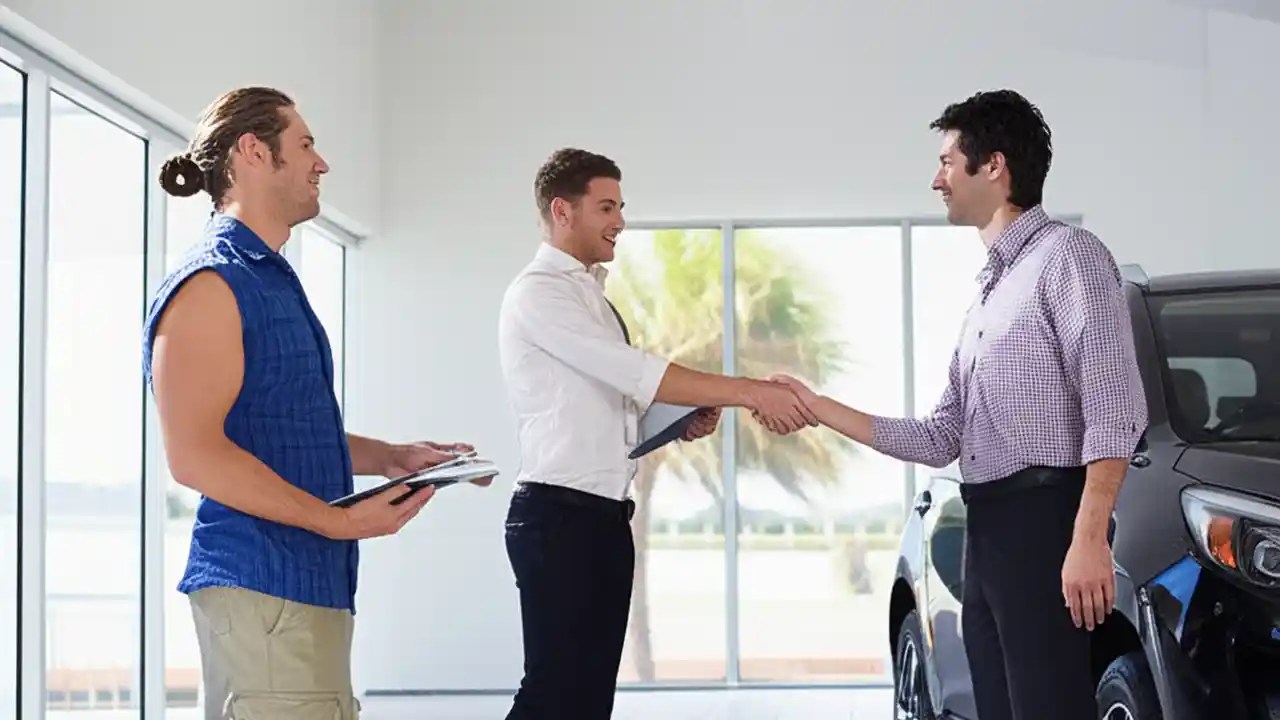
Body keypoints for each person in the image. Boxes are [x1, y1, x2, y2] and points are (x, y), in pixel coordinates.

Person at [772, 90, 1148, 720]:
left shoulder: (1069, 257)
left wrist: (1088, 538)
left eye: (948, 161)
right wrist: (815, 407)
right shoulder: (988, 296)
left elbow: (1114, 406)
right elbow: (942, 435)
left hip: (1045, 522)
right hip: (988, 529)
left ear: (993, 167)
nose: (936, 178)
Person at [143, 86, 486, 720]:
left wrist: (392, 456)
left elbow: (275, 425)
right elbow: (193, 454)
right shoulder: (212, 283)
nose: (321, 163)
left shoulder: (265, 277)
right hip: (265, 588)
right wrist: (339, 521)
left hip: (297, 591)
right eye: (304, 144)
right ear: (253, 152)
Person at [497, 148, 816, 719]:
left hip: (601, 518)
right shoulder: (539, 292)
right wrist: (748, 390)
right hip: (557, 518)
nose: (620, 220)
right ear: (561, 211)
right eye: (606, 207)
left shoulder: (590, 294)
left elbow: (611, 413)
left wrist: (676, 422)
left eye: (620, 206)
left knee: (589, 699)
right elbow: (637, 372)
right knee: (552, 692)